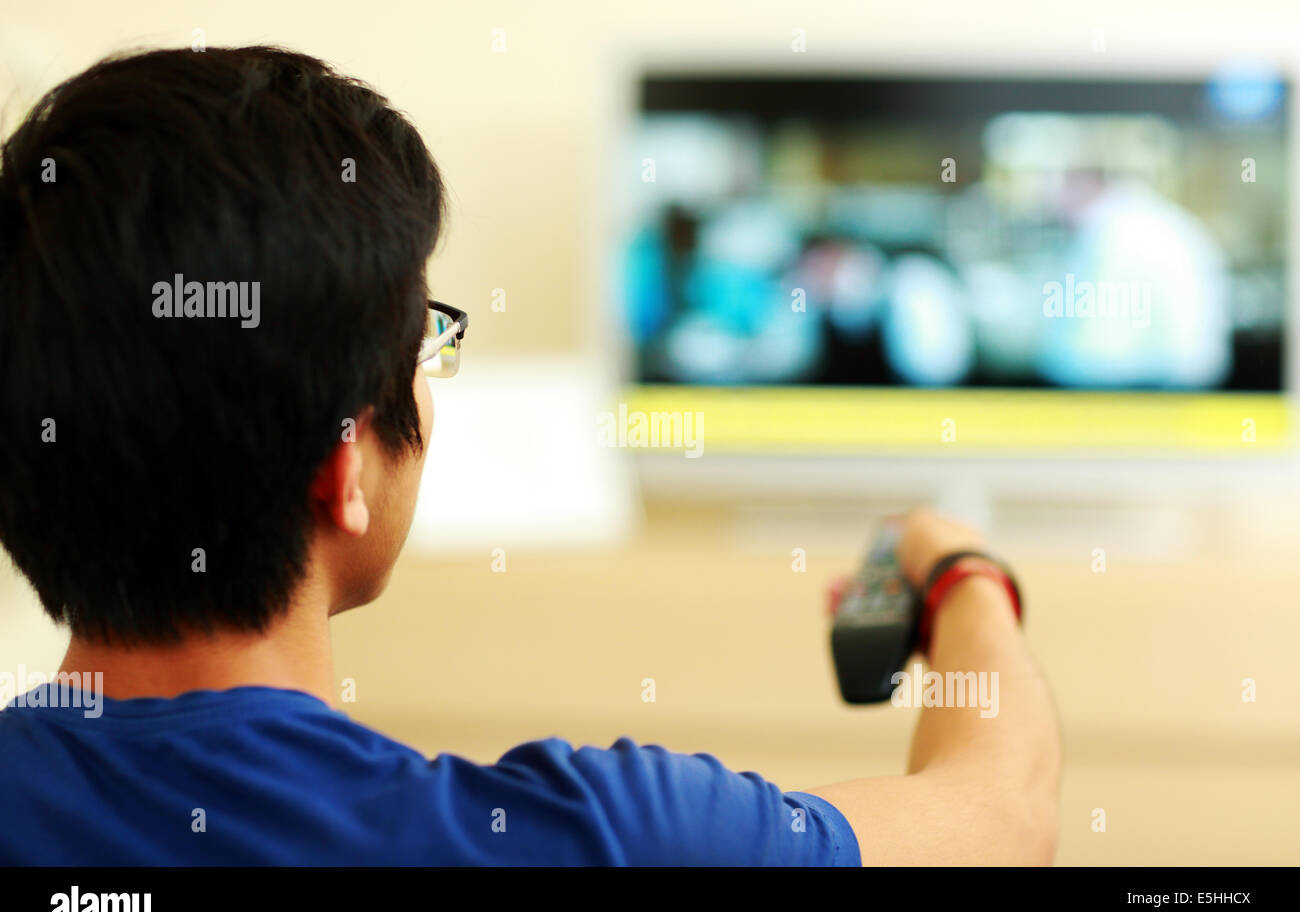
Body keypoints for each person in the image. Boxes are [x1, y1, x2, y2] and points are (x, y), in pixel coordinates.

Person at [0, 46, 1060, 865]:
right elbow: (998, 817)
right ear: (340, 466)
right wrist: (956, 567)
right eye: (426, 342)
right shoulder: (601, 835)